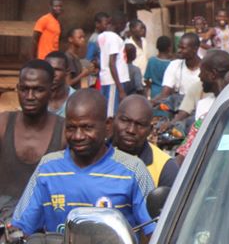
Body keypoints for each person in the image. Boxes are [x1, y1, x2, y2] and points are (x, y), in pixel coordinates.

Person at [11, 90, 156, 238]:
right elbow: (21, 229)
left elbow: (156, 232)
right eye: (71, 128)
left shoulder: (133, 170)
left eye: (87, 128)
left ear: (107, 125)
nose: (78, 136)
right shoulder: (47, 168)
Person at [0, 61, 65, 202]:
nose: (29, 96)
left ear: (51, 91)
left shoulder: (64, 131)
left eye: (38, 90)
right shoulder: (3, 124)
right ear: (17, 89)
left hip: (47, 218)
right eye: (24, 89)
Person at [175, 50, 229, 165]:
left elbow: (182, 158)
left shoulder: (205, 112)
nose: (199, 76)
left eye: (202, 71)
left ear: (212, 74)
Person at [112, 95, 179, 189]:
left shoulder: (165, 167)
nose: (131, 130)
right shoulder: (94, 154)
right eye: (125, 121)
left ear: (150, 130)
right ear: (113, 121)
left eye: (140, 125)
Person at [155, 32, 202, 107]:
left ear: (195, 49)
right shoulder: (174, 65)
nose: (179, 51)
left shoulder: (206, 68)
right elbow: (164, 94)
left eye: (183, 48)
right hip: (181, 108)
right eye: (179, 47)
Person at [96, 14, 130, 116]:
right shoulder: (114, 38)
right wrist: (121, 90)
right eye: (124, 25)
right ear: (119, 24)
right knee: (111, 113)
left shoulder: (102, 36)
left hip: (108, 79)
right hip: (114, 81)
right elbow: (112, 63)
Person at [44, 51, 75, 118]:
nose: (52, 74)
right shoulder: (37, 99)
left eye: (57, 70)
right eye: (48, 69)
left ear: (67, 71)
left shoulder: (76, 99)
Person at [145, 36, 174, 100]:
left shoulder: (151, 60)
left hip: (154, 92)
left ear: (157, 47)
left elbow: (146, 79)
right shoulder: (172, 63)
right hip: (168, 93)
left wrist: (150, 87)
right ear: (169, 48)